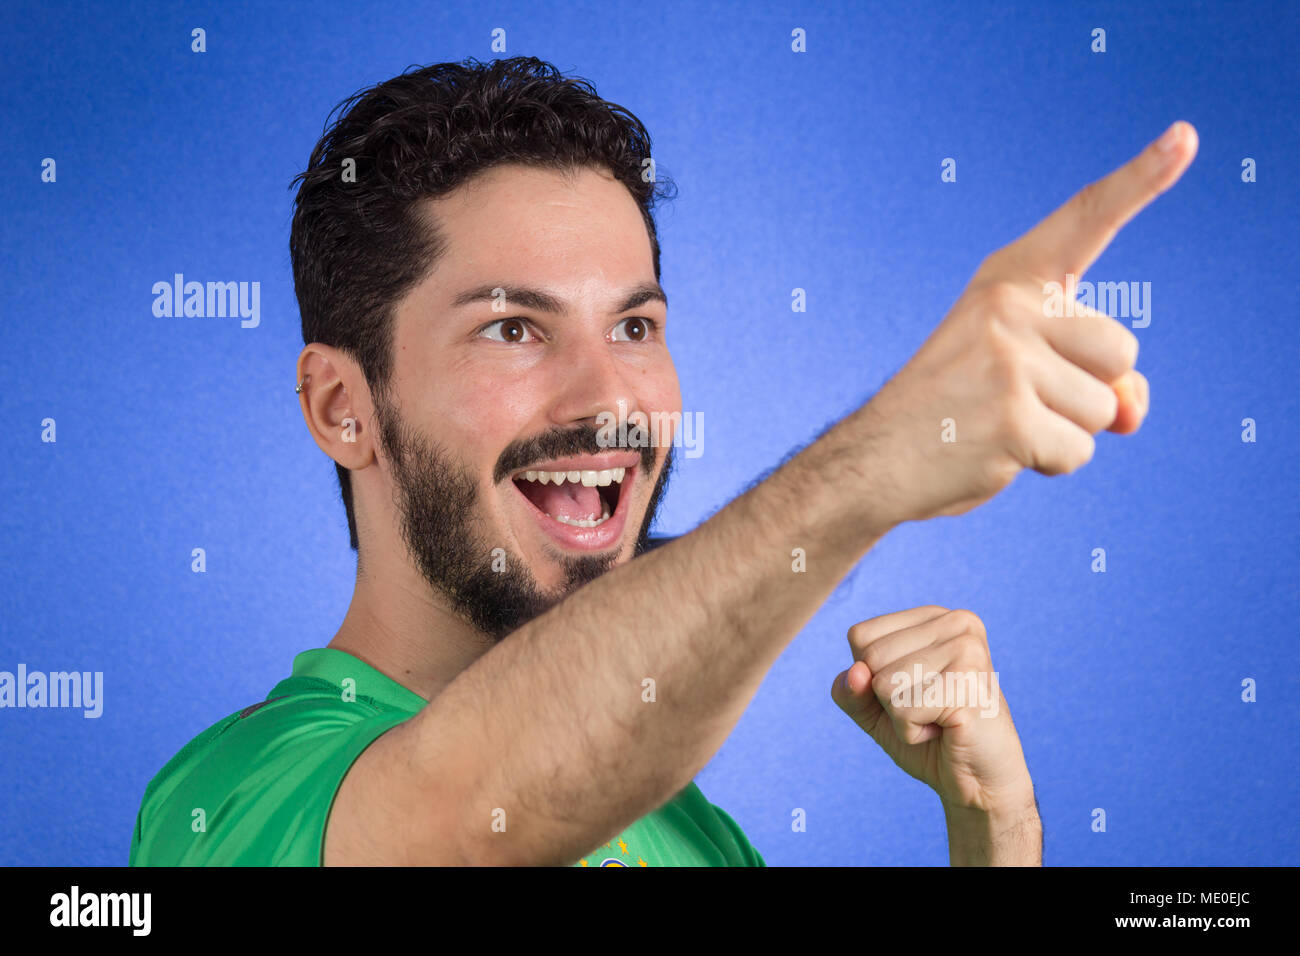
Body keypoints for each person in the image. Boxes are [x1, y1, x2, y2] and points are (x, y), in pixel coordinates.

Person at [128, 55, 1197, 866]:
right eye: (512, 328)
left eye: (635, 327)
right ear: (341, 406)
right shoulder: (237, 799)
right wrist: (873, 465)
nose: (611, 401)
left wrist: (992, 827)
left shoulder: (682, 825)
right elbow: (459, 812)